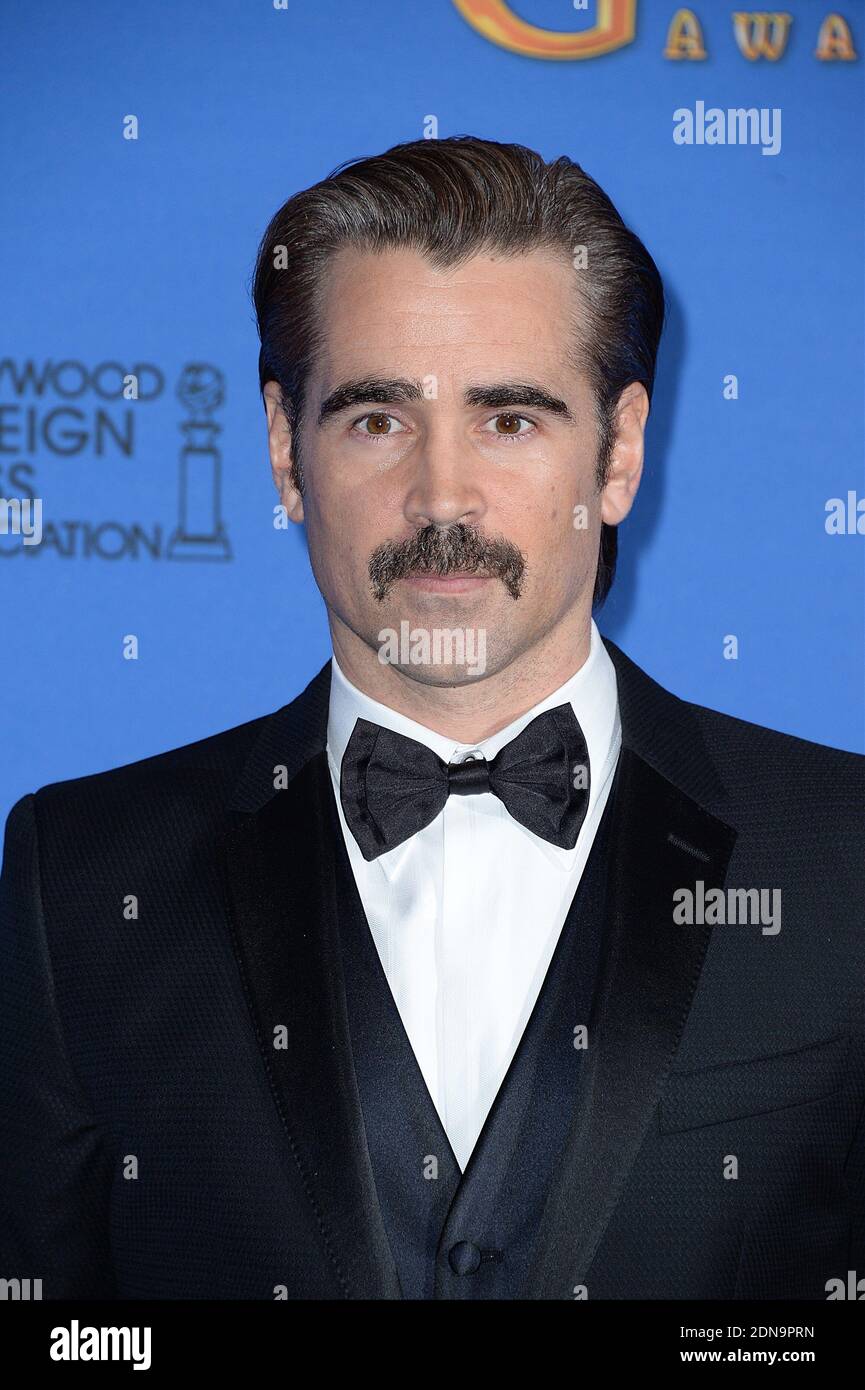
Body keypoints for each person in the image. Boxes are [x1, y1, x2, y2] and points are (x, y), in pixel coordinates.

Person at [1, 137, 863, 1301]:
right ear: (282, 449)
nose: (441, 494)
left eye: (511, 418)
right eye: (375, 418)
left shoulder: (841, 852)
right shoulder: (83, 873)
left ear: (617, 455)